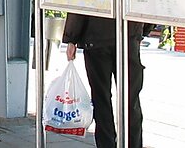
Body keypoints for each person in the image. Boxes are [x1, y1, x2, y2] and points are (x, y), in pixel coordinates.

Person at [62, 13, 152, 148]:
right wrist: (142, 31)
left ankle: (106, 144)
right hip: (129, 36)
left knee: (101, 99)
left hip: (96, 38)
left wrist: (71, 38)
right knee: (130, 99)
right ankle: (133, 144)